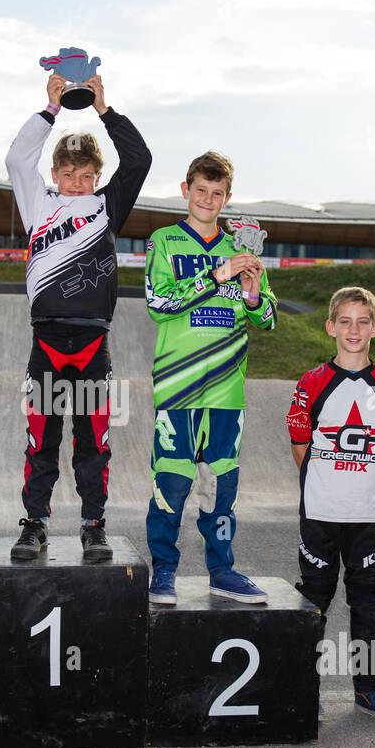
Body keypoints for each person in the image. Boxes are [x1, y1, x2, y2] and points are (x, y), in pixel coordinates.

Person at [5, 70, 151, 561]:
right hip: (46, 343)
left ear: (95, 176)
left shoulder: (107, 205)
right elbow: (16, 158)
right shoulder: (38, 203)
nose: (77, 182)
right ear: (55, 175)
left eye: (86, 174)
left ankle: (93, 525)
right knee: (41, 442)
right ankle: (35, 524)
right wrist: (50, 110)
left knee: (93, 444)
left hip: (92, 346)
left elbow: (139, 159)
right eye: (69, 173)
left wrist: (103, 108)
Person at [143, 151, 276, 604]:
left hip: (226, 391)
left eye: (217, 193)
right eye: (200, 190)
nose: (208, 198)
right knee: (172, 481)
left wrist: (255, 296)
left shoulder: (243, 248)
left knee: (221, 485)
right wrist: (216, 276)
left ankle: (222, 570)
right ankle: (163, 572)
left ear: (227, 198)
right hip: (177, 387)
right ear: (185, 191)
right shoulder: (163, 241)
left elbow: (270, 318)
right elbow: (158, 303)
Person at [286, 287, 375, 724]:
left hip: (369, 516)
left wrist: (358, 482)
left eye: (362, 322)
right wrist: (327, 484)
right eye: (345, 321)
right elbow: (300, 443)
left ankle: (367, 691)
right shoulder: (312, 382)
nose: (353, 330)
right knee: (313, 598)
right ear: (330, 327)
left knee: (367, 600)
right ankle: (305, 688)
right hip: (320, 512)